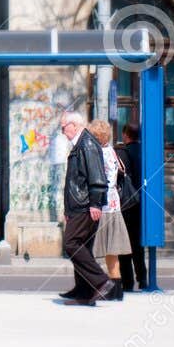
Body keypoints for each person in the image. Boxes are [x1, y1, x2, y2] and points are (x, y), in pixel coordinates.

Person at [58, 111, 115, 306]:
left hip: (85, 206)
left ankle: (101, 281)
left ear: (74, 125)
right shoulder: (80, 144)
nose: (62, 131)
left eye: (63, 127)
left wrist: (96, 203)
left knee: (71, 243)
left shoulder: (87, 144)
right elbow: (75, 181)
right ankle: (83, 290)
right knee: (82, 246)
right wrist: (68, 210)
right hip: (77, 206)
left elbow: (97, 177)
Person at [89, 120, 130, 301]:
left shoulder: (98, 154)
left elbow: (97, 181)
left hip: (102, 206)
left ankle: (99, 287)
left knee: (93, 250)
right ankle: (117, 290)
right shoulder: (112, 152)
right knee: (111, 252)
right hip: (114, 204)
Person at [118, 122, 148, 292]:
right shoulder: (145, 153)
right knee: (138, 245)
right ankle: (142, 279)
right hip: (143, 204)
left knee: (124, 243)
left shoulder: (123, 153)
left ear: (126, 135)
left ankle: (127, 281)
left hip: (127, 204)